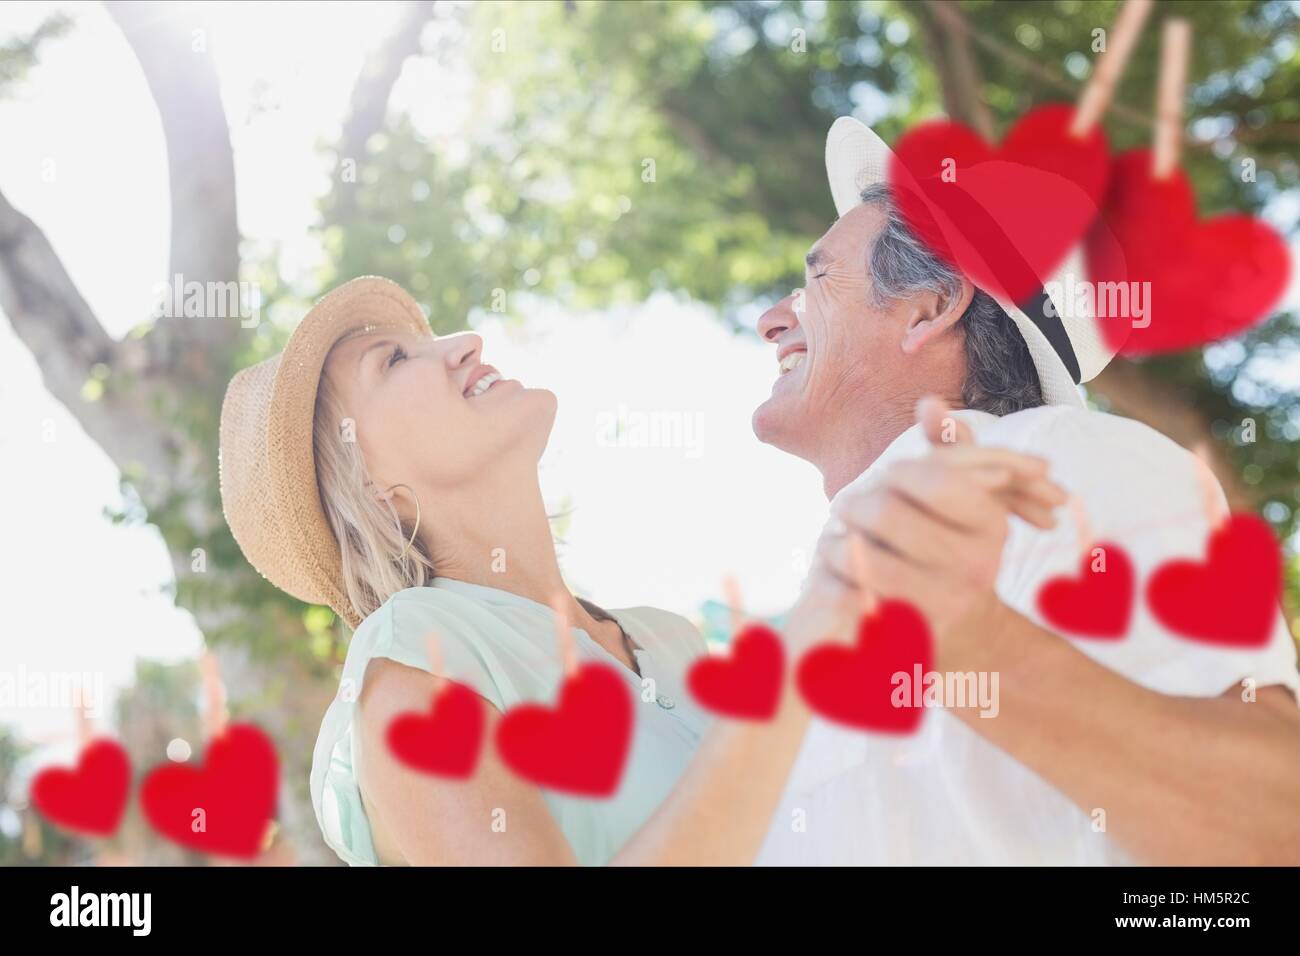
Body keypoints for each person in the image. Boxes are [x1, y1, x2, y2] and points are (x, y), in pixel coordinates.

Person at [216, 276, 1063, 865]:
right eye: (395, 361)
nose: (462, 341)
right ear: (370, 484)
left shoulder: (669, 641)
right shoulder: (413, 662)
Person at [749, 117, 1300, 865]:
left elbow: (1268, 824)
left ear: (931, 307)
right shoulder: (825, 591)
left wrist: (970, 638)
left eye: (815, 281)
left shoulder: (1071, 461)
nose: (770, 320)